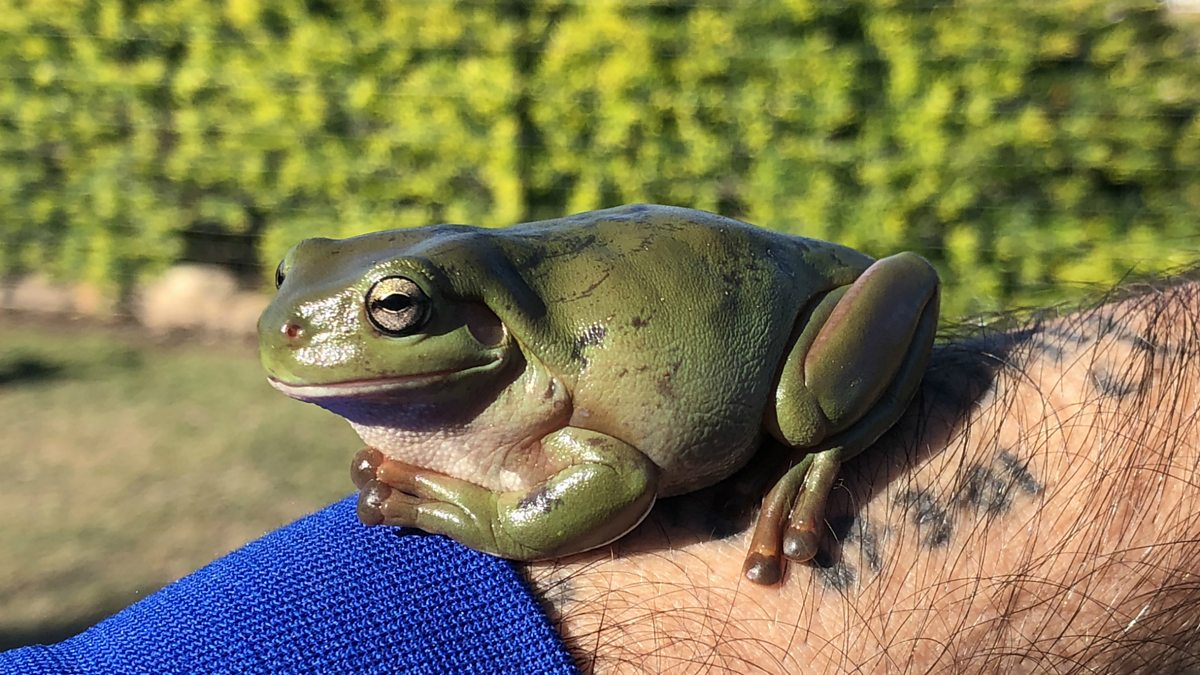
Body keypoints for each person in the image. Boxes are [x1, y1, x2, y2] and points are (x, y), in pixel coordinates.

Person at [4, 274, 1199, 673]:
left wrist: (460, 504)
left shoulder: (540, 388)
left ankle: (822, 435)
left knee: (800, 406)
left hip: (796, 335)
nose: (292, 334)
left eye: (396, 309)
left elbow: (613, 482)